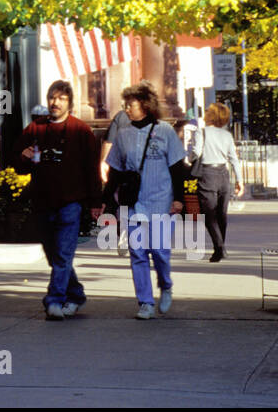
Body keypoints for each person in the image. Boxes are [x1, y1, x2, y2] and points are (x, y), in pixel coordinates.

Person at [13, 80, 102, 321]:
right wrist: (23, 156)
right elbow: (18, 164)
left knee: (63, 253)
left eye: (61, 98)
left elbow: (91, 168)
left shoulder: (81, 130)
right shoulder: (35, 129)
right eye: (52, 97)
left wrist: (96, 202)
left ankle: (54, 300)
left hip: (71, 202)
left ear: (69, 103)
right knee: (53, 254)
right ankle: (76, 294)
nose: (55, 102)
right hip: (42, 201)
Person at [104, 81, 189, 320]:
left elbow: (177, 168)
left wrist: (179, 200)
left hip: (161, 201)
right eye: (125, 104)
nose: (126, 108)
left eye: (130, 104)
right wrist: (108, 201)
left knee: (160, 251)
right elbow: (115, 171)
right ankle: (145, 302)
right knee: (138, 253)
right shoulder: (123, 134)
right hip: (134, 204)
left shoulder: (165, 132)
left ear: (145, 105)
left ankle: (166, 284)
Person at [191, 101, 243, 262]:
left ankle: (219, 247)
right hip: (223, 173)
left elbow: (196, 152)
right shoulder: (227, 135)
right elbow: (234, 159)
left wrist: (190, 155)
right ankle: (220, 247)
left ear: (210, 115)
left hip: (207, 173)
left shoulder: (202, 132)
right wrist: (239, 181)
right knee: (221, 213)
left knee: (209, 213)